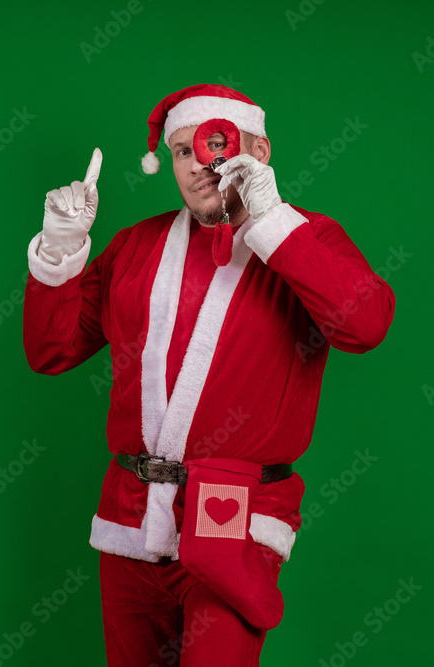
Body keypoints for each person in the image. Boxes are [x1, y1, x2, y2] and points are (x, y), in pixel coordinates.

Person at [22, 83, 396, 666]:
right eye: (180, 151)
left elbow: (365, 325)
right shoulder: (133, 247)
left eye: (214, 143)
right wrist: (60, 245)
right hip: (128, 520)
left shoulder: (309, 238)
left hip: (236, 521)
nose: (198, 163)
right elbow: (52, 351)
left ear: (259, 151)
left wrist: (271, 219)